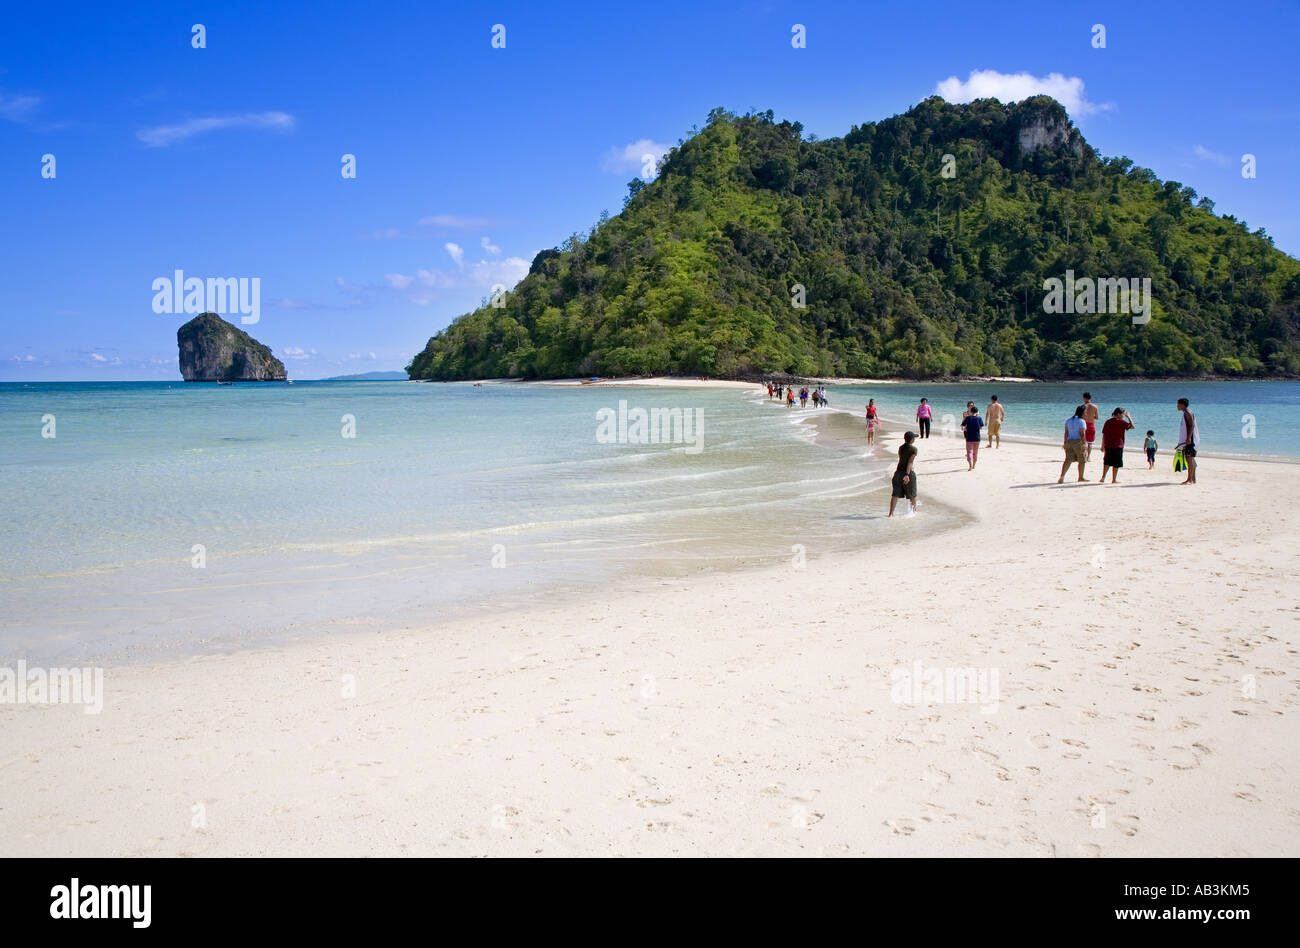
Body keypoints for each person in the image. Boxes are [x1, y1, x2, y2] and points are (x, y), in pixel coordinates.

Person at [1099, 407, 1135, 483]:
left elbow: (1104, 435)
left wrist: (1102, 445)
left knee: (1107, 462)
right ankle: (1114, 479)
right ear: (1118, 414)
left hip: (1108, 445)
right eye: (1122, 414)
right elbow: (1132, 426)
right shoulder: (1121, 422)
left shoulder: (1108, 422)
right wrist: (1129, 417)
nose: (1123, 416)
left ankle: (1103, 477)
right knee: (1116, 463)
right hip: (1118, 445)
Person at [888, 431, 919, 517]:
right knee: (912, 495)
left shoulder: (901, 448)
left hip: (898, 472)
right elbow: (910, 462)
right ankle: (913, 512)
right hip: (907, 473)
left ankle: (891, 513)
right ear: (912, 439)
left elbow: (902, 459)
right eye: (914, 438)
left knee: (895, 494)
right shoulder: (914, 449)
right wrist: (907, 475)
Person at [1058, 406, 1088, 483]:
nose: (1086, 413)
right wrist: (1084, 443)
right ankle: (1080, 477)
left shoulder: (1068, 420)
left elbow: (1066, 433)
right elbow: (1082, 433)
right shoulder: (1082, 421)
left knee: (1068, 460)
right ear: (1082, 412)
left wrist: (1065, 443)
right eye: (1085, 412)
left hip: (1069, 441)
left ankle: (1062, 476)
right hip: (1078, 442)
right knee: (1082, 460)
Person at [1176, 397, 1199, 484]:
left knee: (1189, 459)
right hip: (1189, 440)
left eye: (1178, 404)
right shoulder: (1187, 412)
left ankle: (1189, 479)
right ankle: (1193, 479)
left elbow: (1192, 425)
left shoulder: (1187, 413)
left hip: (1190, 440)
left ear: (1182, 405)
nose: (1177, 406)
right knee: (1190, 459)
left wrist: (1189, 437)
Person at [1082, 392, 1099, 461]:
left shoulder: (1082, 406)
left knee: (1084, 441)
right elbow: (1097, 417)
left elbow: (1080, 416)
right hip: (1091, 425)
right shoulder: (1095, 407)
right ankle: (1088, 457)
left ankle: (1084, 455)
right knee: (1090, 442)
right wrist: (1091, 416)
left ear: (1084, 398)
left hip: (1084, 425)